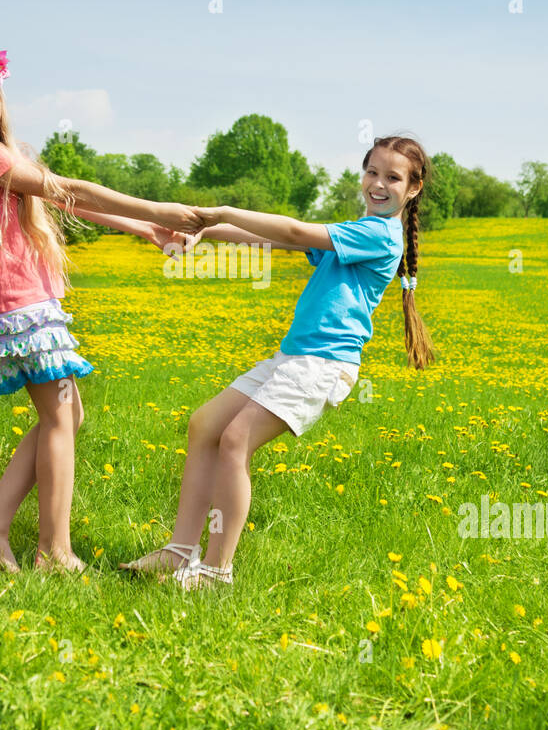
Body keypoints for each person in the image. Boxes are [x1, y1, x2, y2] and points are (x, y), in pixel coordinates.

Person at [0, 42, 199, 575]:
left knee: (66, 415)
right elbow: (69, 186)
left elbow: (60, 200)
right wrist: (157, 208)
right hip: (17, 306)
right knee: (60, 417)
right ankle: (54, 550)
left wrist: (144, 230)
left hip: (17, 303)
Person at [119, 135, 435, 590]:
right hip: (294, 357)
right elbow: (269, 237)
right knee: (205, 425)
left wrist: (223, 211)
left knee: (234, 442)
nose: (379, 184)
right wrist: (205, 232)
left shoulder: (378, 236)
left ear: (413, 188)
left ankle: (214, 572)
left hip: (323, 364)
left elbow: (290, 230)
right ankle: (178, 552)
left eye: (393, 177)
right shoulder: (352, 230)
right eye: (373, 172)